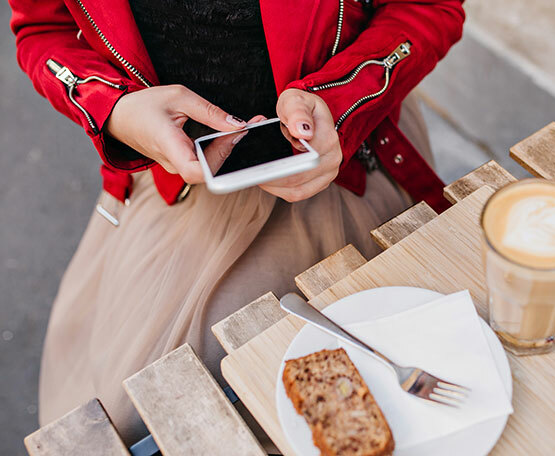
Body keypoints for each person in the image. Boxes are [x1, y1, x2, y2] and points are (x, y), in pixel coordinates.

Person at [10, 0, 464, 443]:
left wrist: (343, 102)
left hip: (346, 161)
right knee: (133, 418)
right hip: (173, 178)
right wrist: (113, 108)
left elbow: (428, 7)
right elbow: (41, 32)